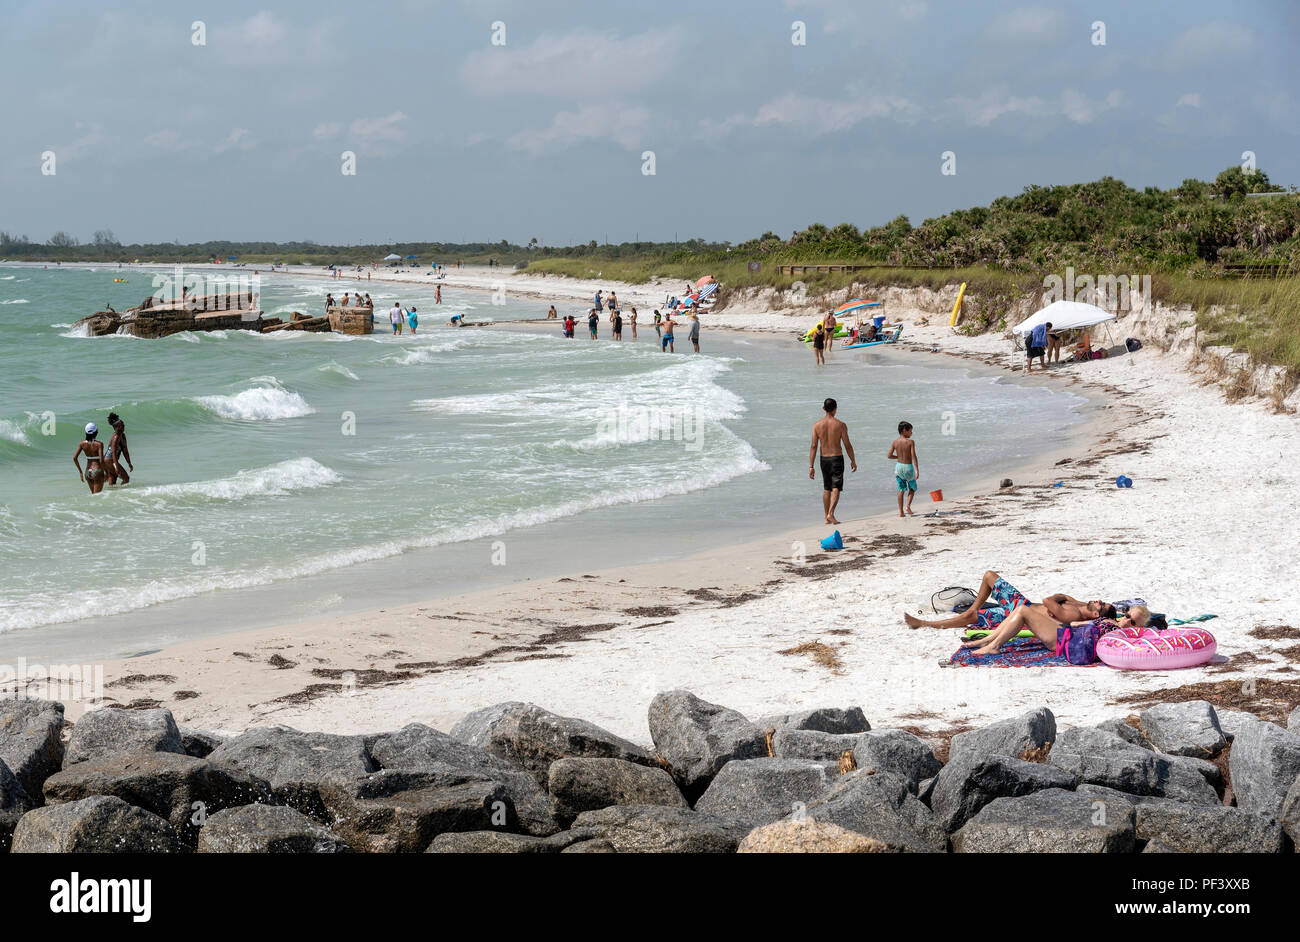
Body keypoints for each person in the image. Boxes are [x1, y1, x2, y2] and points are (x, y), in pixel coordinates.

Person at [902, 570, 1108, 631]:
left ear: (1096, 613)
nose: (1098, 600)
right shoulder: (1079, 606)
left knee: (971, 617)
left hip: (1020, 615)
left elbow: (1048, 601)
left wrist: (1059, 598)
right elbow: (1062, 598)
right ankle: (972, 609)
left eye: (1101, 604)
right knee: (989, 576)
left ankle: (923, 623)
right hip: (1023, 605)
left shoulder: (1072, 613)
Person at [809, 397, 857, 525]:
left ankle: (826, 517)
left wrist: (811, 466)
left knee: (826, 488)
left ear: (824, 408)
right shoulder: (840, 425)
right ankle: (831, 513)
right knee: (836, 487)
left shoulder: (816, 425)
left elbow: (813, 446)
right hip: (837, 458)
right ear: (836, 408)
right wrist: (853, 460)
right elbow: (847, 445)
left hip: (823, 459)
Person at [888, 421, 919, 517]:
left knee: (901, 489)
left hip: (898, 467)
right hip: (908, 467)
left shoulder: (895, 442)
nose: (911, 433)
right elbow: (914, 456)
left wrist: (898, 457)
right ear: (904, 430)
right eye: (910, 431)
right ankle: (908, 506)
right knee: (912, 488)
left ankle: (901, 512)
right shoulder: (910, 442)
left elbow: (889, 456)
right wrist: (917, 470)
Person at [73, 423, 108, 494]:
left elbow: (75, 458)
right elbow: (101, 461)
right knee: (97, 497)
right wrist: (107, 472)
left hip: (87, 472)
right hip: (97, 471)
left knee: (93, 496)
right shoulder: (99, 444)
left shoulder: (82, 444)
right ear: (96, 432)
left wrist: (80, 472)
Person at [105, 413, 132, 485]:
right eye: (122, 425)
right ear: (117, 427)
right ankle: (123, 495)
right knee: (126, 478)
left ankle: (111, 495)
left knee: (113, 479)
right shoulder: (116, 437)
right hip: (109, 461)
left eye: (123, 425)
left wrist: (129, 463)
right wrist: (116, 466)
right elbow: (113, 452)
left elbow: (125, 451)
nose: (124, 426)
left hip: (110, 461)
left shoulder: (122, 436)